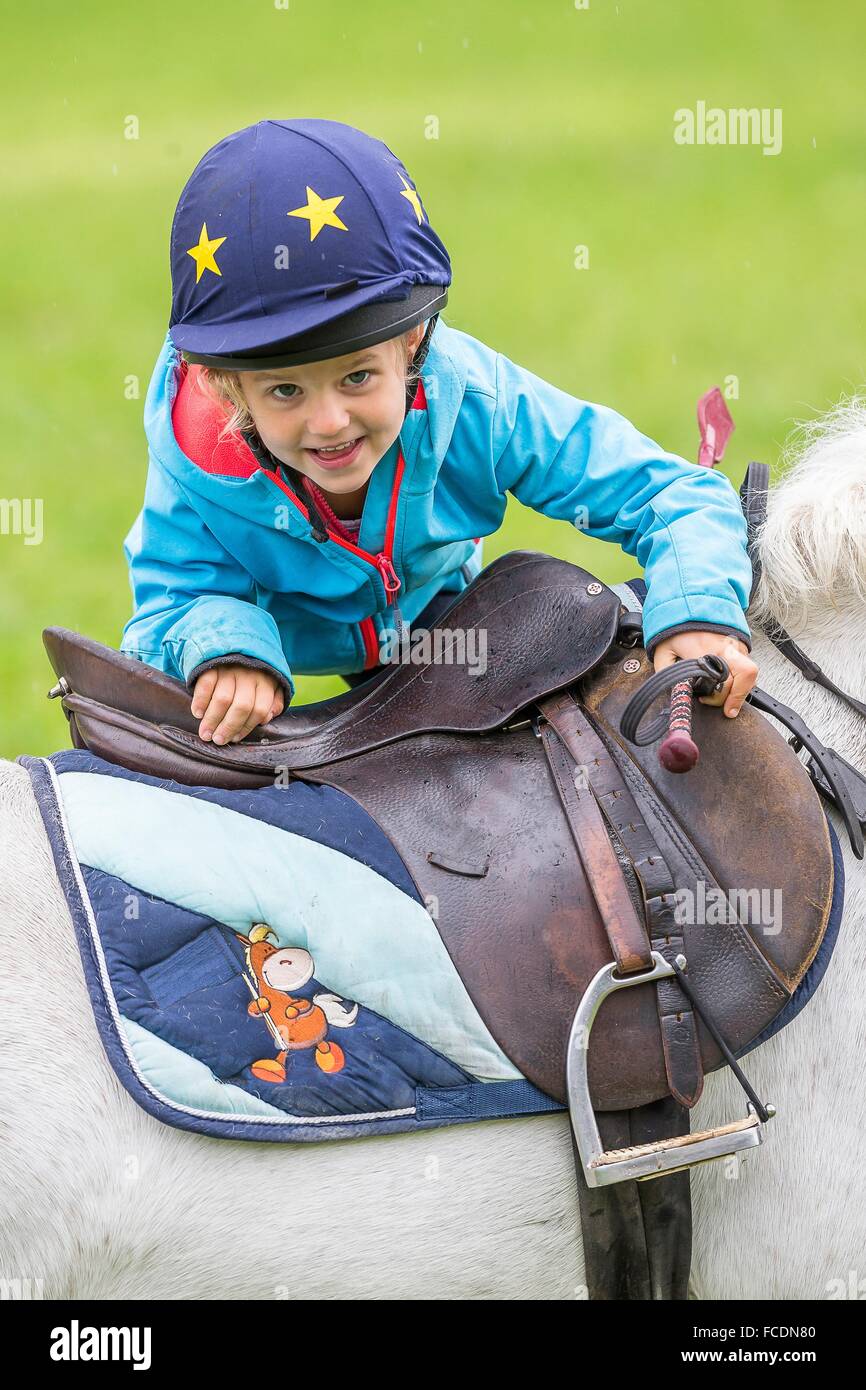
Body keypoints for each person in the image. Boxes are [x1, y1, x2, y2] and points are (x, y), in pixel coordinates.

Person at [121, 117, 757, 748]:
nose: (329, 422)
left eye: (358, 377)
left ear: (411, 339)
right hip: (281, 636)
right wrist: (227, 649)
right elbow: (172, 602)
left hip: (441, 620)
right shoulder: (200, 453)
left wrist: (697, 611)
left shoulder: (477, 403)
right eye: (286, 390)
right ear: (222, 385)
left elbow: (672, 493)